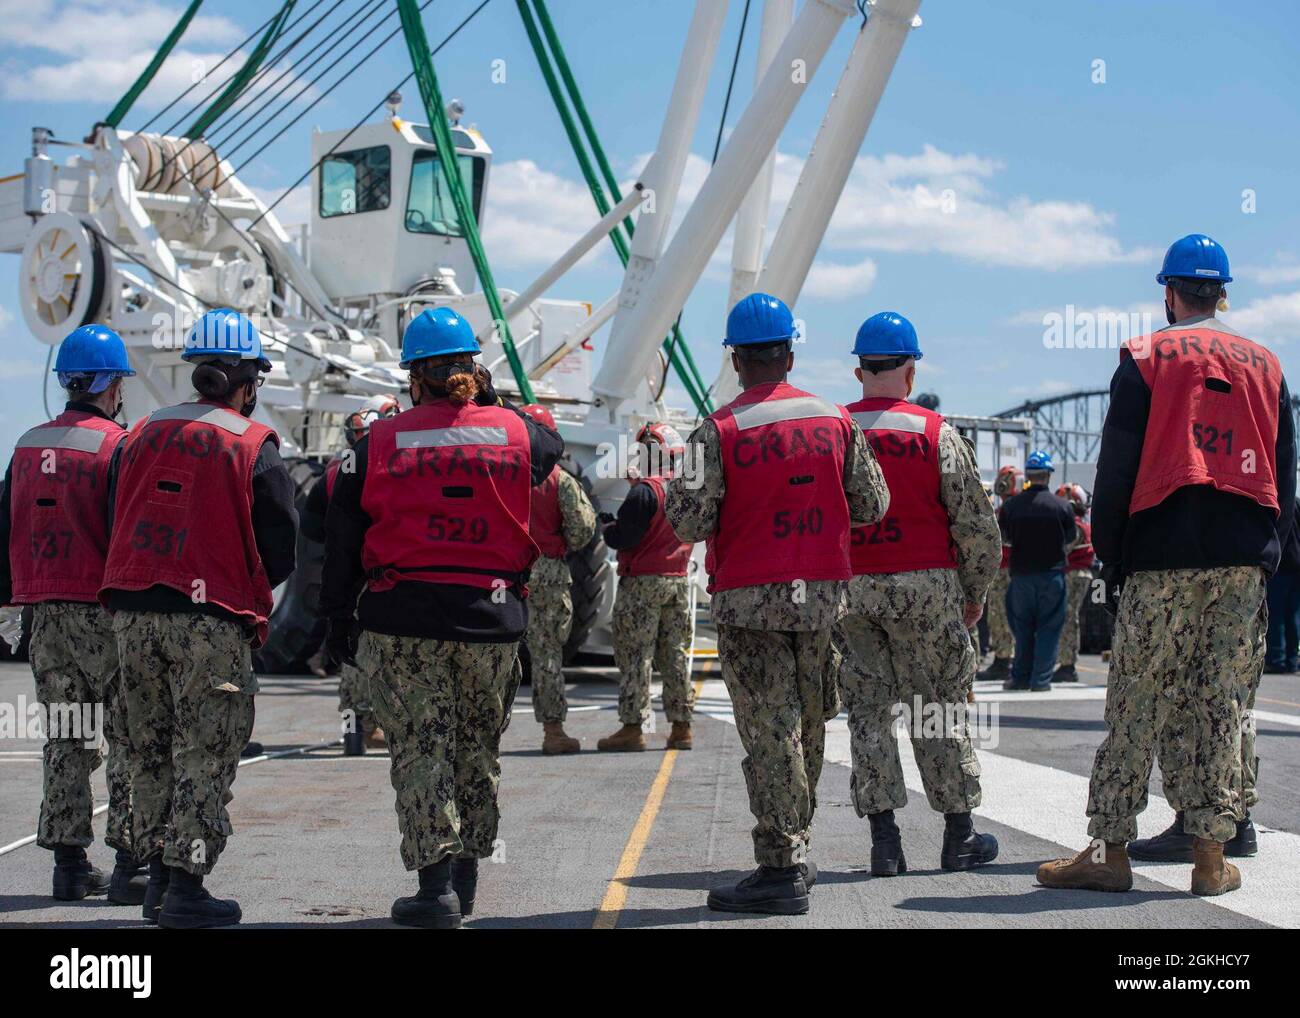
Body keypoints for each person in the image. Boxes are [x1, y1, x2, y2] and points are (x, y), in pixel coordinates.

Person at [1038, 233, 1295, 897]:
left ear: (1169, 293)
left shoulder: (1148, 357)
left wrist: (1116, 558)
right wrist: (1264, 555)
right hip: (1242, 565)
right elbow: (1285, 479)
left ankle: (1108, 851)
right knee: (1221, 706)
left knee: (1137, 705)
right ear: (1224, 293)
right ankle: (1211, 858)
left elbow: (1117, 468)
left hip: (1162, 559)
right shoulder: (1268, 365)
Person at [319, 307, 563, 928]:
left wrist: (335, 617)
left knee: (421, 752)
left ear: (412, 377)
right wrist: (489, 398)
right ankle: (467, 879)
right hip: (492, 618)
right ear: (472, 372)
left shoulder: (376, 444)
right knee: (477, 751)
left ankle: (435, 889)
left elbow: (341, 539)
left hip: (403, 621)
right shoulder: (513, 433)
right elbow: (548, 448)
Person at [664, 292, 889, 915]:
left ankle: (781, 865)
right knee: (809, 724)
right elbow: (873, 504)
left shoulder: (718, 429)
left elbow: (686, 521)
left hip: (749, 602)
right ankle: (797, 844)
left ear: (737, 360)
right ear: (789, 352)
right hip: (821, 597)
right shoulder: (835, 420)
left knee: (770, 730)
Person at [101, 308, 298, 928]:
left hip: (132, 613)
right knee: (204, 753)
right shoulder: (250, 442)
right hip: (209, 616)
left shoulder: (139, 433)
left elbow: (115, 511)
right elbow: (283, 544)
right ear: (247, 381)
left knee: (149, 749)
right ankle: (186, 886)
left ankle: (157, 877)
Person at [836, 312, 1002, 876]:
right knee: (936, 709)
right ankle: (959, 836)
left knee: (868, 713)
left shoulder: (836, 431)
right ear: (911, 370)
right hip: (927, 586)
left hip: (854, 587)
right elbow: (976, 526)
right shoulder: (936, 433)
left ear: (859, 370)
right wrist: (974, 591)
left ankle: (885, 843)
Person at [0, 325, 143, 904]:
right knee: (130, 734)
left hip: (47, 614)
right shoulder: (120, 447)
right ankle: (132, 861)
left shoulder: (27, 445)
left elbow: (3, 524)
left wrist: (9, 599)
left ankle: (69, 863)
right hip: (107, 611)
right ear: (111, 385)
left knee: (66, 734)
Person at [300, 394, 400, 755]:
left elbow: (311, 528)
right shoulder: (397, 466)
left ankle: (353, 732)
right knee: (384, 658)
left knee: (349, 662)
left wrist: (339, 544)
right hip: (382, 576)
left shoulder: (333, 473)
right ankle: (374, 726)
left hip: (348, 575)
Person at [598, 421, 695, 752]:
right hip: (677, 581)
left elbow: (624, 535)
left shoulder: (642, 492)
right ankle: (681, 727)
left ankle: (632, 727)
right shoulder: (684, 489)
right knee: (674, 655)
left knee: (635, 655)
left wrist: (608, 526)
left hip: (642, 583)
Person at [518, 403, 597, 755]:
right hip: (548, 575)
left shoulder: (498, 477)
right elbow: (583, 529)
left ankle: (480, 733)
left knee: (493, 656)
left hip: (504, 574)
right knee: (547, 655)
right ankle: (553, 731)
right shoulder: (560, 480)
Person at [998, 451, 1076, 691]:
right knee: (1049, 628)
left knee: (1022, 628)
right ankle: (1040, 680)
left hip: (1021, 576)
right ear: (1048, 475)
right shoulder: (1062, 506)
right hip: (1052, 576)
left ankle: (1020, 677)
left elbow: (1004, 538)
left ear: (1028, 476)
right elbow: (1071, 538)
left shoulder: (1011, 506)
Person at [976, 466, 1020, 683]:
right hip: (1015, 570)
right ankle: (1008, 656)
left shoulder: (1006, 510)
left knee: (998, 614)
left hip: (1002, 569)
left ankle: (1003, 659)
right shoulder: (1017, 507)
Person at [1054, 483, 1093, 683]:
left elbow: (1062, 550)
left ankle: (1067, 665)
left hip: (1073, 574)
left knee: (1068, 617)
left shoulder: (1074, 526)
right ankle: (1065, 662)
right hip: (1079, 574)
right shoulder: (1082, 523)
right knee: (1069, 616)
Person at [1262, 503, 1300, 673]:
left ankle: (1277, 658)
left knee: (1276, 614)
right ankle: (1292, 659)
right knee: (1293, 615)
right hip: (1297, 564)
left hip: (1282, 564)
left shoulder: (1276, 504)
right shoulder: (1297, 503)